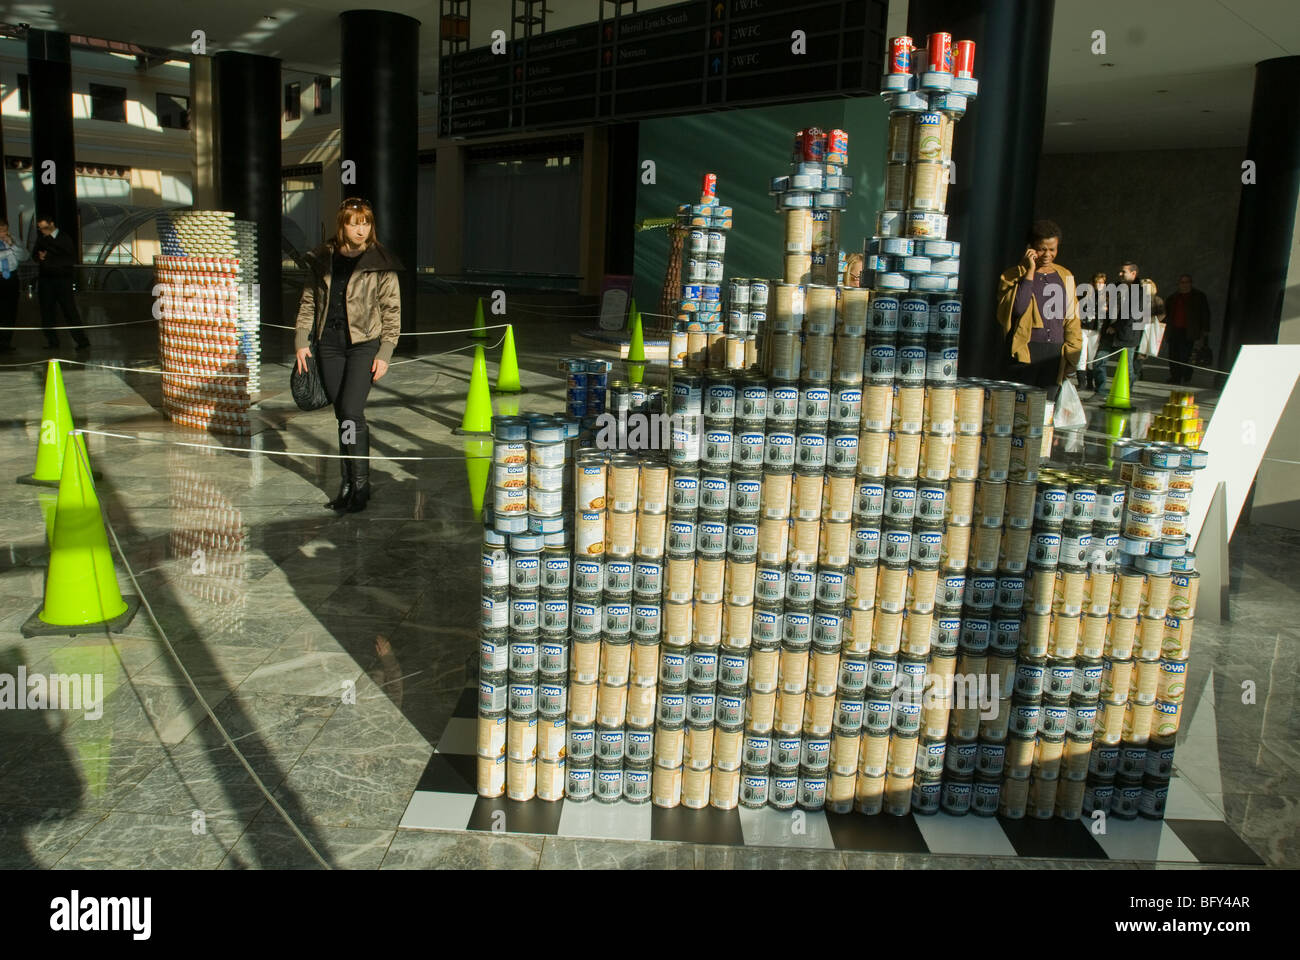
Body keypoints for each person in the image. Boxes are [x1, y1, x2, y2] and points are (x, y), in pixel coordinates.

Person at [294, 198, 402, 513]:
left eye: (366, 222)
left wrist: (385, 351)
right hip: (329, 344)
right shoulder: (322, 258)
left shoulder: (380, 260)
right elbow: (308, 302)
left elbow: (392, 311)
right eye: (354, 222)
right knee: (342, 414)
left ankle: (361, 485)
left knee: (353, 411)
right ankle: (346, 483)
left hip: (364, 344)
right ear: (342, 224)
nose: (361, 229)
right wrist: (302, 340)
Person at [996, 219, 1082, 396]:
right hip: (1025, 350)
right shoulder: (1013, 275)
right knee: (1021, 409)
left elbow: (1072, 319)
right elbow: (1018, 309)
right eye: (1042, 249)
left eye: (1053, 249)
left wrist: (1072, 357)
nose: (1047, 254)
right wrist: (1029, 271)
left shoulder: (1065, 275)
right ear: (1031, 248)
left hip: (1054, 353)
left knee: (1047, 409)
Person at [32, 216, 89, 351]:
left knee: (69, 310)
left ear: (52, 224)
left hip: (63, 280)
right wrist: (39, 257)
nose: (43, 231)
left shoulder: (64, 238)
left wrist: (50, 259)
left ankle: (81, 340)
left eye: (45, 228)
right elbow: (34, 254)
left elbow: (69, 259)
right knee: (47, 312)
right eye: (40, 229)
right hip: (46, 280)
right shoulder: (41, 239)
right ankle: (52, 341)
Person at [1102, 259, 1144, 384]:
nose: (1120, 274)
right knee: (1099, 360)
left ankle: (1127, 394)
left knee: (1127, 367)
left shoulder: (1140, 291)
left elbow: (1132, 314)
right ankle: (1100, 390)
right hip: (1108, 332)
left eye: (1123, 272)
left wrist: (1116, 326)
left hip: (1128, 334)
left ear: (1133, 273)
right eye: (1119, 271)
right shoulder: (1115, 288)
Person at [1163, 274, 1210, 385]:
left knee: (1186, 355)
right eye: (1182, 282)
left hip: (1189, 331)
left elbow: (1205, 314)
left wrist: (1205, 330)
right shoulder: (1173, 297)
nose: (1184, 285)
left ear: (1191, 283)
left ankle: (1186, 375)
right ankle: (1175, 377)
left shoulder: (1199, 297)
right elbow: (1166, 313)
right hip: (1174, 330)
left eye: (1186, 282)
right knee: (1173, 355)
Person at [0, 221, 29, 353]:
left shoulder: (14, 239)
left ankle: (6, 342)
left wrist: (12, 245)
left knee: (10, 311)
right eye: (0, 231)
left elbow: (24, 256)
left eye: (5, 230)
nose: (3, 234)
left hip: (11, 278)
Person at [1082, 270, 1108, 391]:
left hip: (1096, 329)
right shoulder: (1085, 294)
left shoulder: (1107, 297)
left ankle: (1090, 382)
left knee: (1092, 356)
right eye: (1097, 282)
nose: (1099, 285)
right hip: (1083, 327)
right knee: (1082, 354)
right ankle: (1082, 381)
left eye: (1102, 283)